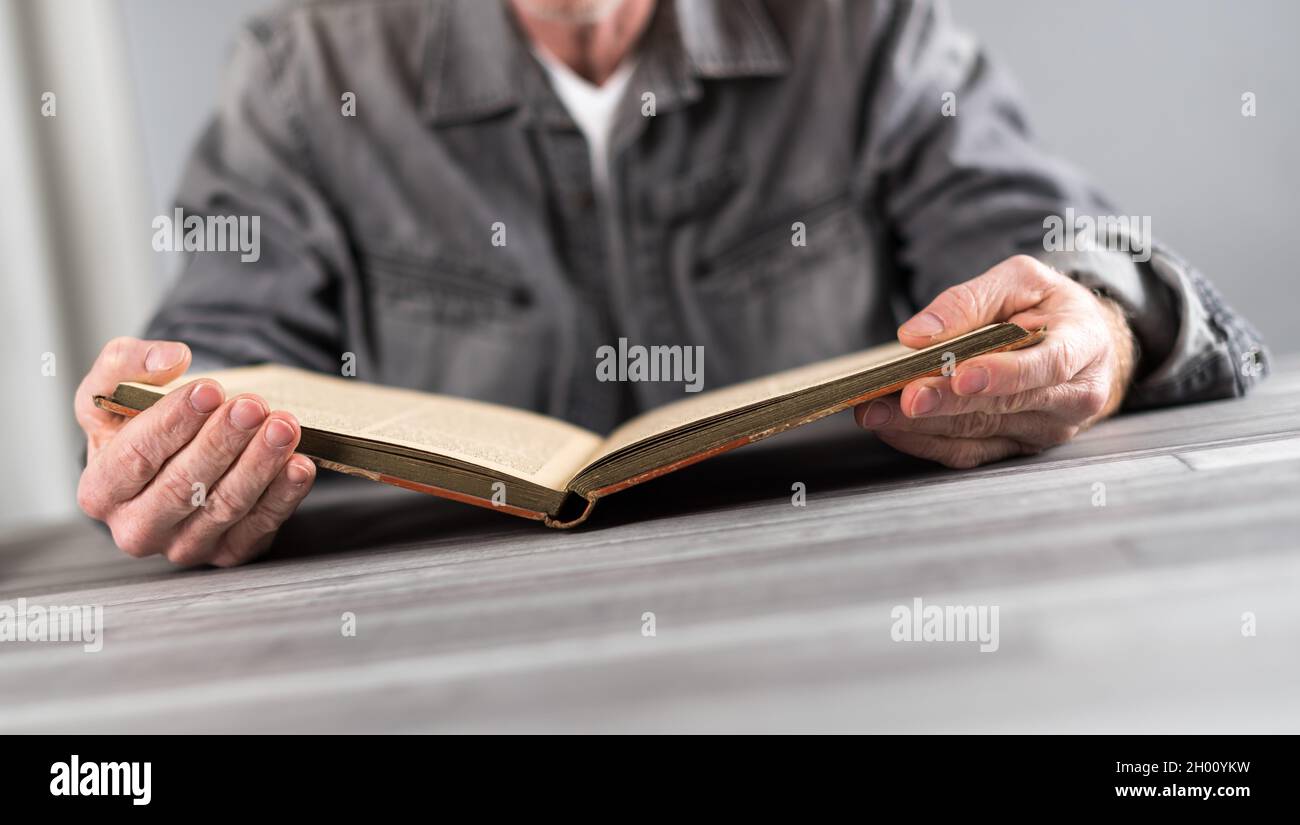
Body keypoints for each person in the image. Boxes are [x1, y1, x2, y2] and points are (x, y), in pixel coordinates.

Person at [74, 0, 1267, 566]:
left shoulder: (865, 30)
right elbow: (220, 334)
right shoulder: (306, 67)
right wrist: (168, 434)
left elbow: (1058, 246)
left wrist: (1100, 334)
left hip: (831, 626)